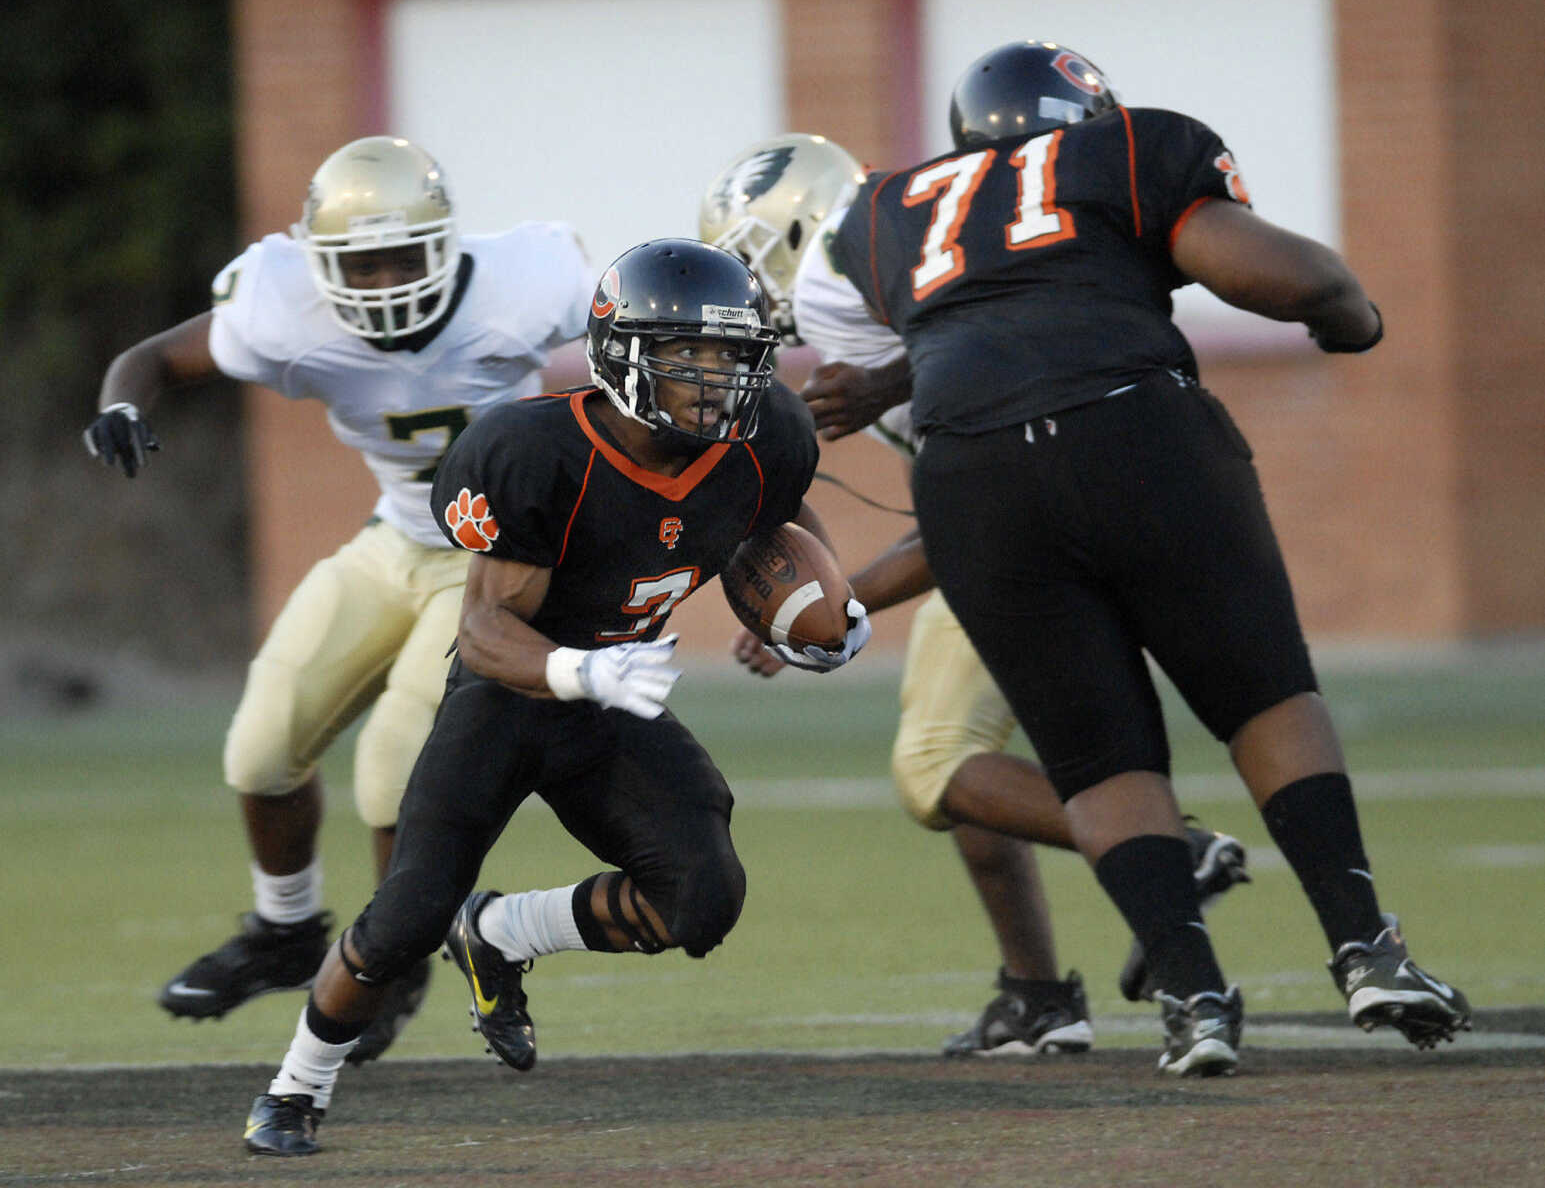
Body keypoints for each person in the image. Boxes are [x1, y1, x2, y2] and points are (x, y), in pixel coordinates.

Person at [825, 40, 1472, 1076]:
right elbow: (1275, 271)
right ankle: (1366, 950)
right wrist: (1351, 314)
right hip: (1131, 431)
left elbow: (991, 302)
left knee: (1097, 757)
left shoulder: (883, 209)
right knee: (1263, 695)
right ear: (1084, 110)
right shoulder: (1129, 146)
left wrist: (876, 389)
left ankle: (1194, 1002)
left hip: (971, 474)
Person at [240, 238, 870, 1155]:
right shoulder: (530, 451)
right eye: (689, 356)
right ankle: (293, 1091)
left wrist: (823, 605)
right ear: (620, 354)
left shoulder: (767, 432)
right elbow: (486, 630)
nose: (716, 380)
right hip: (512, 698)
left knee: (701, 898)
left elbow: (771, 507)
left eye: (732, 357)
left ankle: (497, 931)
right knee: (405, 917)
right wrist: (581, 670)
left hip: (612, 703)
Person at [699, 132, 1249, 1056]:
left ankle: (1174, 857)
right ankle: (1038, 994)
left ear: (803, 234)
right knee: (962, 749)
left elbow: (983, 488)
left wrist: (845, 600)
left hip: (1041, 532)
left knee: (936, 766)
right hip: (1099, 505)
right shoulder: (918, 294)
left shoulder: (870, 313)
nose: (758, 296)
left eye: (756, 263)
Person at [84, 135, 595, 1063]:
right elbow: (154, 358)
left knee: (394, 765)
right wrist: (123, 404)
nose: (386, 279)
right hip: (392, 538)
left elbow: (636, 348)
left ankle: (388, 962)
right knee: (262, 746)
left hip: (494, 558)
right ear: (322, 263)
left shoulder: (525, 283)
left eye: (404, 253)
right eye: (362, 260)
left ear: (447, 243)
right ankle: (285, 933)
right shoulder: (285, 310)